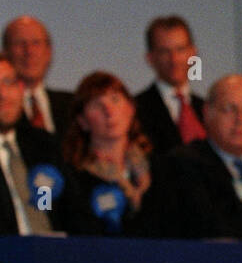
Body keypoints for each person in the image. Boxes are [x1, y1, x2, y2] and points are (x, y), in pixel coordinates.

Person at [148, 74, 242, 241]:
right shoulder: (184, 164)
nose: (240, 120)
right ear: (207, 112)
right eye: (229, 109)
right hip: (239, 260)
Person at [60, 73, 156, 236]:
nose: (109, 111)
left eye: (115, 99)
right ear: (83, 121)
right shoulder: (73, 178)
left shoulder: (158, 168)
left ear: (131, 109)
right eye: (97, 105)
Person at [0, 52, 66, 235]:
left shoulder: (44, 145)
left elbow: (71, 214)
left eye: (8, 82)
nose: (2, 94)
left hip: (53, 254)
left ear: (21, 88)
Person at [134, 16, 206, 154]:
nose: (174, 59)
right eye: (164, 51)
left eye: (180, 49)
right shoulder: (135, 111)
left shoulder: (207, 110)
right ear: (150, 58)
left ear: (193, 53)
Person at [2, 16, 72, 139]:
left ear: (49, 52)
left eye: (36, 42)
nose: (29, 51)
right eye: (19, 43)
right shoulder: (4, 107)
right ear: (5, 52)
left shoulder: (74, 106)